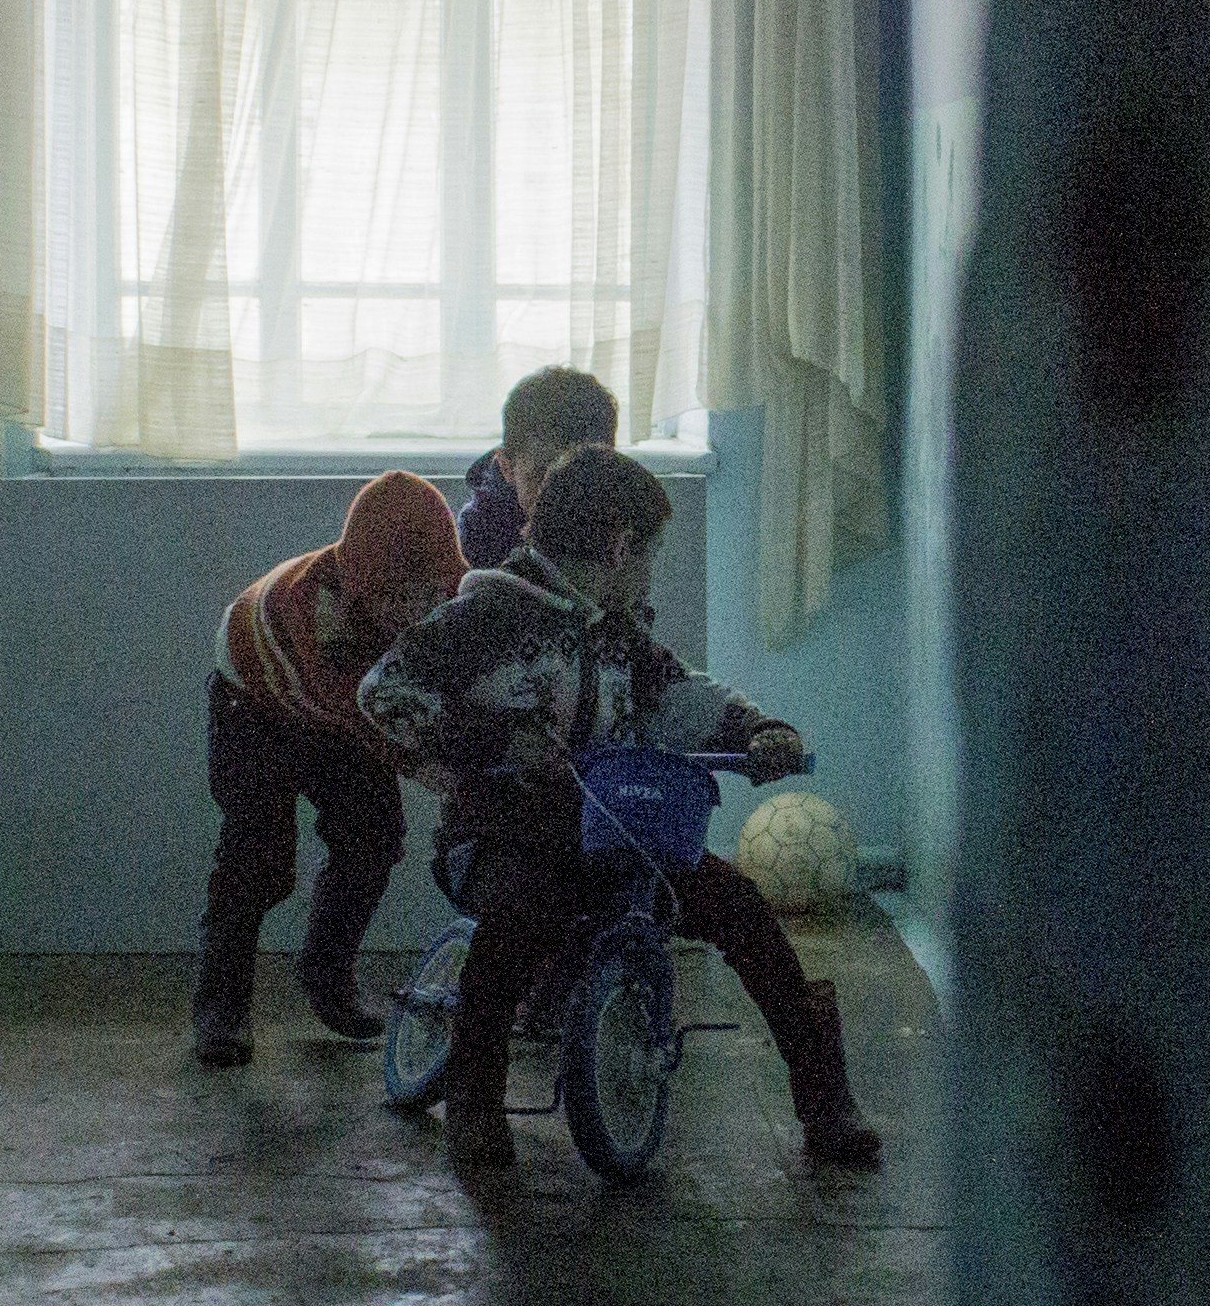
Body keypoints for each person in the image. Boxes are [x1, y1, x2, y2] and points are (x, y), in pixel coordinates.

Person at [358, 447, 883, 1171]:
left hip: (609, 832)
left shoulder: (616, 632)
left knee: (736, 907)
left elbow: (677, 693)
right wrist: (493, 740)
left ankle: (824, 1099)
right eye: (649, 555)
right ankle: (476, 1099)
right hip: (500, 831)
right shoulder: (480, 619)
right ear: (620, 545)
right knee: (516, 915)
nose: (647, 573)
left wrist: (754, 731)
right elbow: (384, 693)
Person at [190, 469, 469, 1069]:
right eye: (397, 597)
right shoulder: (316, 610)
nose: (415, 611)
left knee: (373, 835)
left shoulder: (446, 591)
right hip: (256, 703)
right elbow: (363, 714)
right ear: (361, 580)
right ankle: (221, 1005)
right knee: (256, 858)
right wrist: (432, 765)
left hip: (339, 712)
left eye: (429, 593)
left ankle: (326, 972)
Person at [455, 365, 621, 573]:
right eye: (542, 476)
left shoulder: (621, 521)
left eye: (583, 474)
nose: (562, 493)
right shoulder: (482, 533)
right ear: (506, 467)